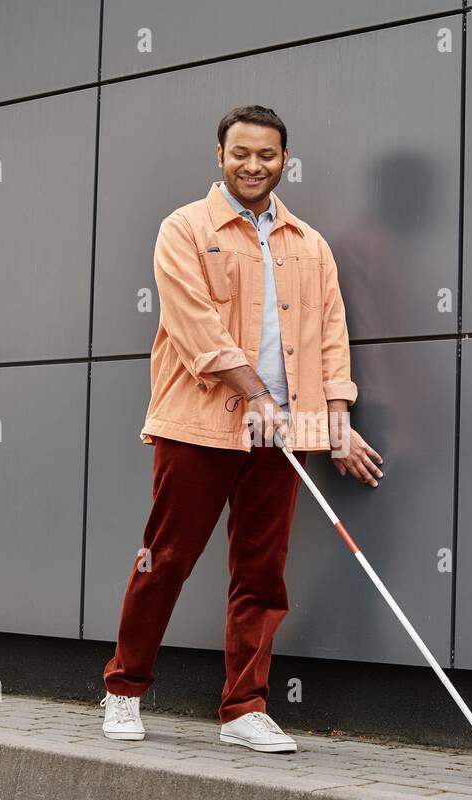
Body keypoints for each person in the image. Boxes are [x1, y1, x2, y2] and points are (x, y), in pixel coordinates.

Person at [100, 104, 385, 752]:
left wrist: (334, 421)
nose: (253, 165)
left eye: (267, 154)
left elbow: (332, 339)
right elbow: (193, 323)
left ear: (286, 159)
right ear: (220, 156)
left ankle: (244, 709)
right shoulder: (184, 229)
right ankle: (123, 689)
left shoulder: (311, 246)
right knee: (165, 559)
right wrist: (252, 392)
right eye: (241, 154)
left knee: (262, 573)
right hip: (201, 426)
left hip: (281, 439)